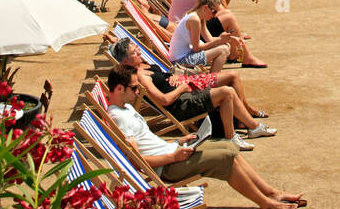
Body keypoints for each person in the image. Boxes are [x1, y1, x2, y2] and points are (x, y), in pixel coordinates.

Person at [106, 65, 301, 209]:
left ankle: (272, 193)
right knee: (224, 157)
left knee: (228, 146)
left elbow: (146, 141)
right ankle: (268, 205)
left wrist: (178, 140)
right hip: (167, 166)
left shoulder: (126, 108)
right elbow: (134, 160)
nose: (138, 92)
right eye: (134, 88)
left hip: (173, 150)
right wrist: (172, 157)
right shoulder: (119, 118)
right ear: (119, 88)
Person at [111, 37, 275, 146]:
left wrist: (175, 78)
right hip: (181, 104)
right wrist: (182, 87)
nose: (139, 52)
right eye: (134, 52)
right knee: (227, 92)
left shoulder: (143, 65)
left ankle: (249, 127)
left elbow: (163, 80)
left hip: (185, 90)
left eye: (137, 49)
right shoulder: (140, 76)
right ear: (125, 61)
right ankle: (235, 134)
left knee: (228, 88)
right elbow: (164, 100)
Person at [167, 0, 231, 71]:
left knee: (225, 45)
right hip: (179, 61)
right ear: (205, 8)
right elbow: (196, 48)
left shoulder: (199, 18)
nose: (214, 16)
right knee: (223, 50)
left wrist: (228, 39)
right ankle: (212, 80)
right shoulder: (194, 20)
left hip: (184, 56)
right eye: (214, 12)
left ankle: (212, 78)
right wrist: (219, 40)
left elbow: (209, 40)